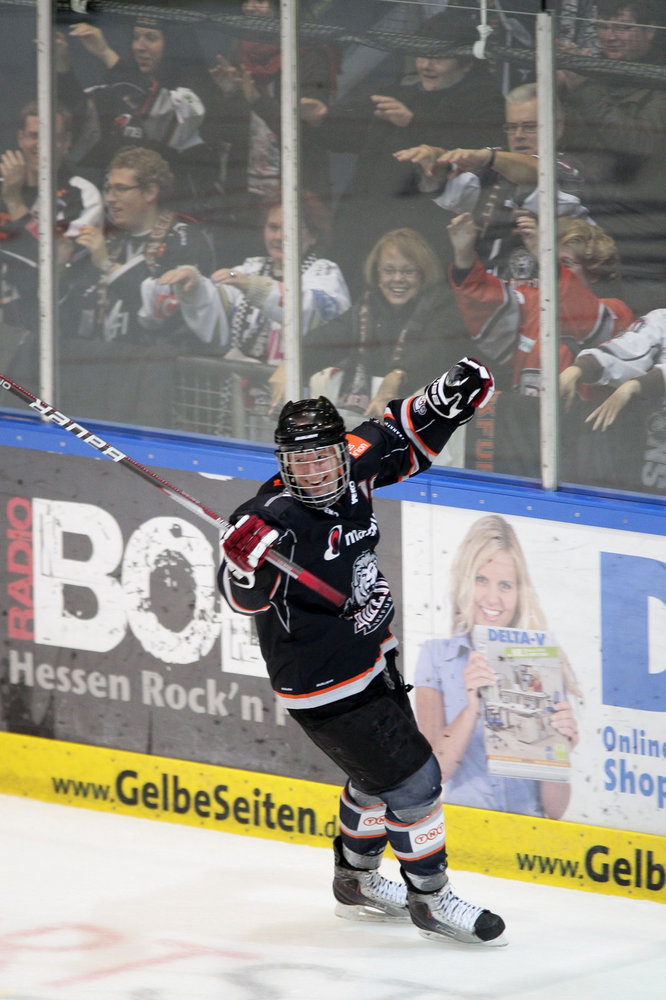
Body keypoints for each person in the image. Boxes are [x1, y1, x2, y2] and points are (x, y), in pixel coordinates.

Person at [218, 359, 507, 944]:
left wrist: (447, 398)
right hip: (323, 683)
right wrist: (240, 560)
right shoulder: (270, 518)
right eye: (298, 461)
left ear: (340, 452)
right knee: (416, 782)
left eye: (321, 457)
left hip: (373, 656)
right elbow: (239, 596)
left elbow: (402, 432)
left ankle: (355, 882)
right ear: (283, 463)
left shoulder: (358, 462)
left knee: (374, 778)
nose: (312, 470)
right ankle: (431, 899)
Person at [300, 8, 505, 293]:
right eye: (421, 55)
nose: (426, 66)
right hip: (362, 229)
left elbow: (479, 150)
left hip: (422, 240)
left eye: (437, 57)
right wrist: (322, 118)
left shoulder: (485, 102)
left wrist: (414, 123)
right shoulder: (402, 93)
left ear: (466, 63)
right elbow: (352, 131)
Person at [414, 514, 580, 820]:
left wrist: (559, 750)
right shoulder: (436, 657)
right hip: (462, 831)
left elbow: (555, 810)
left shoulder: (541, 662)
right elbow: (430, 779)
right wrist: (472, 709)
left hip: (529, 838)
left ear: (519, 592)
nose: (493, 597)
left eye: (505, 585)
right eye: (481, 579)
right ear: (465, 580)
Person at [146, 192, 350, 433]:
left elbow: (310, 313)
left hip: (299, 402)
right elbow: (215, 321)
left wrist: (254, 287)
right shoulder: (250, 267)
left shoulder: (325, 273)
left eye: (290, 229)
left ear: (313, 235)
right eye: (273, 227)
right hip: (242, 404)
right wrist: (193, 286)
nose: (278, 236)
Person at [393, 82, 588, 286]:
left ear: (557, 127)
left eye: (530, 126)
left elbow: (538, 172)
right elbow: (453, 189)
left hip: (556, 299)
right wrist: (436, 162)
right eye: (512, 127)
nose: (518, 135)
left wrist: (487, 157)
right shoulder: (492, 164)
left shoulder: (569, 168)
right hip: (495, 299)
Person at [288, 227, 470, 420]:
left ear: (423, 274)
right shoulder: (368, 306)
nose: (398, 279)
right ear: (378, 273)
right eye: (389, 270)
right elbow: (328, 338)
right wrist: (291, 363)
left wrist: (397, 375)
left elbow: (433, 349)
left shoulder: (442, 303)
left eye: (408, 271)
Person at [58, 13, 225, 221]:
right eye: (136, 37)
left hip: (178, 222)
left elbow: (157, 110)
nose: (139, 46)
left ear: (172, 46)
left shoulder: (195, 95)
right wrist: (63, 68)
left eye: (151, 38)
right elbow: (82, 118)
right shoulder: (122, 87)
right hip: (122, 222)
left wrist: (105, 53)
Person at [557, 0, 666, 314]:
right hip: (590, 239)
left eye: (622, 27)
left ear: (650, 32)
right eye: (603, 26)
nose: (610, 36)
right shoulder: (594, 76)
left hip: (644, 251)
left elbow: (637, 141)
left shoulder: (659, 80)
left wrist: (584, 87)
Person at [209, 0, 338, 262]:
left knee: (289, 271)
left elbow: (307, 133)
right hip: (246, 196)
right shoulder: (239, 53)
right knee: (240, 267)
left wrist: (259, 100)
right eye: (246, 1)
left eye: (261, 1)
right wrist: (227, 94)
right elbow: (219, 134)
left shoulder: (311, 55)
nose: (251, 7)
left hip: (299, 192)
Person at [446, 212, 633, 393]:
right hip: (528, 418)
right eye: (547, 261)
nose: (551, 267)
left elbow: (588, 320)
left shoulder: (617, 310)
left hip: (581, 420)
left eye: (565, 263)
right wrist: (464, 257)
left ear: (593, 272)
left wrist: (547, 257)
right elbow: (488, 303)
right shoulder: (532, 301)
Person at [68, 145, 214, 346]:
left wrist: (107, 266)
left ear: (150, 192)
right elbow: (77, 310)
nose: (109, 198)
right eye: (108, 189)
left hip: (158, 367)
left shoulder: (185, 239)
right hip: (102, 361)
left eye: (121, 188)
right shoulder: (109, 241)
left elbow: (163, 313)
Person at [0, 99, 103, 382]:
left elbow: (49, 266)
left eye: (51, 137)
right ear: (20, 138)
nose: (40, 145)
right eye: (34, 135)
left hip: (45, 344)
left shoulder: (81, 195)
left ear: (66, 142)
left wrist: (14, 201)